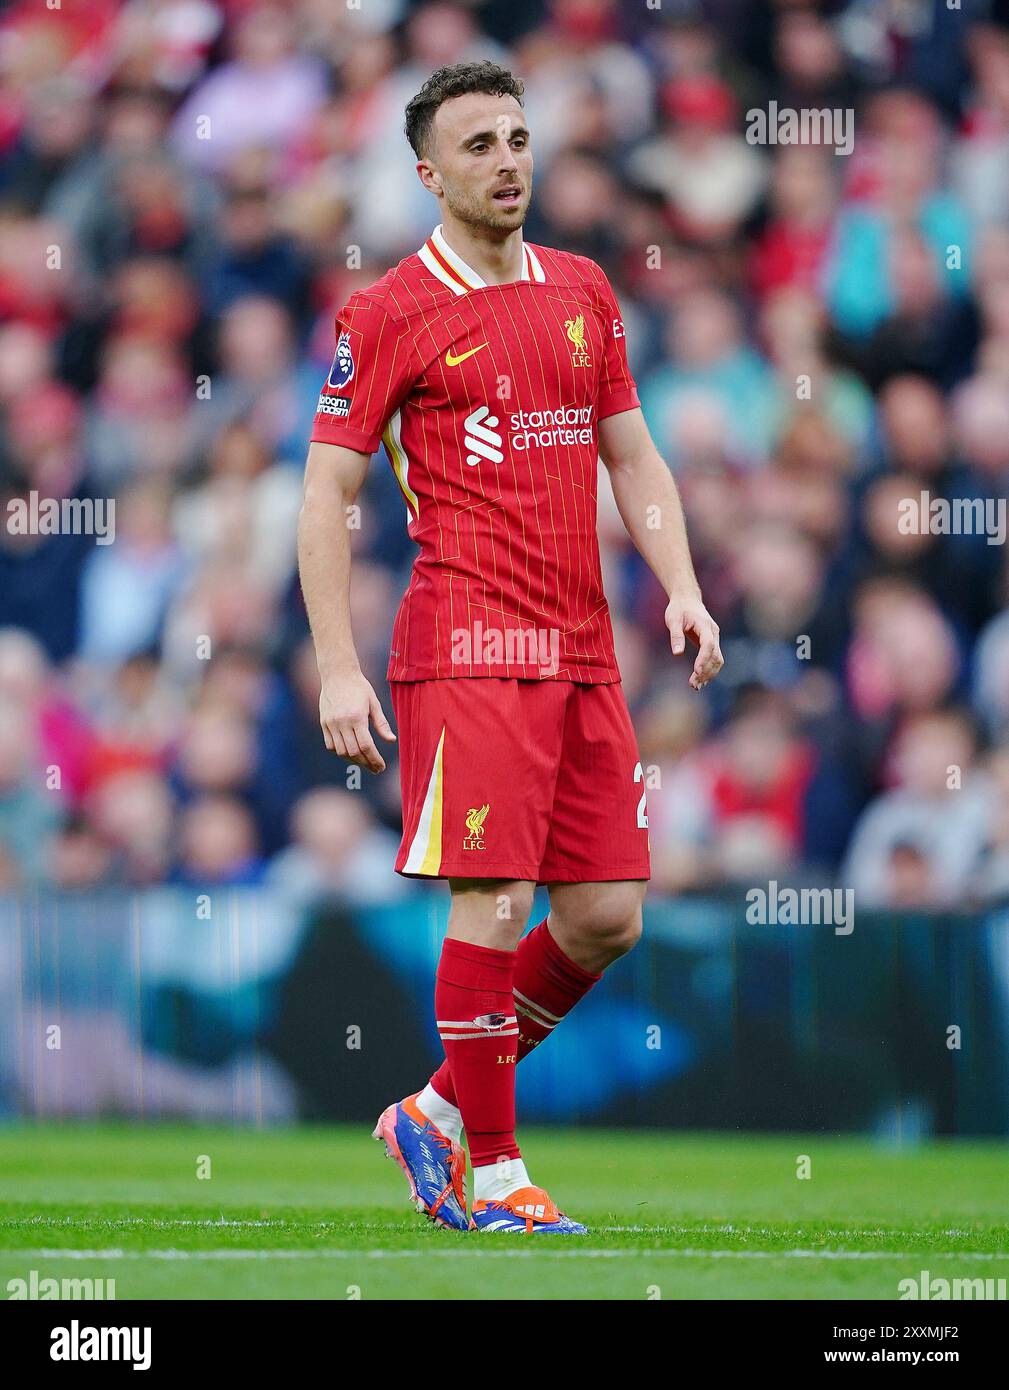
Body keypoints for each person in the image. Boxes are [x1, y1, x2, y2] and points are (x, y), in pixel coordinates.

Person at [297, 61, 723, 1235]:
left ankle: (434, 1106)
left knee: (605, 916)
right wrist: (336, 662)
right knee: (492, 896)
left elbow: (631, 457)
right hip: (467, 644)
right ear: (430, 174)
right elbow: (325, 492)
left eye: (519, 137)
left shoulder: (584, 289)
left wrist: (680, 586)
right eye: (478, 143)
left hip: (583, 648)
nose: (507, 160)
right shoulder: (385, 313)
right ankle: (495, 1173)